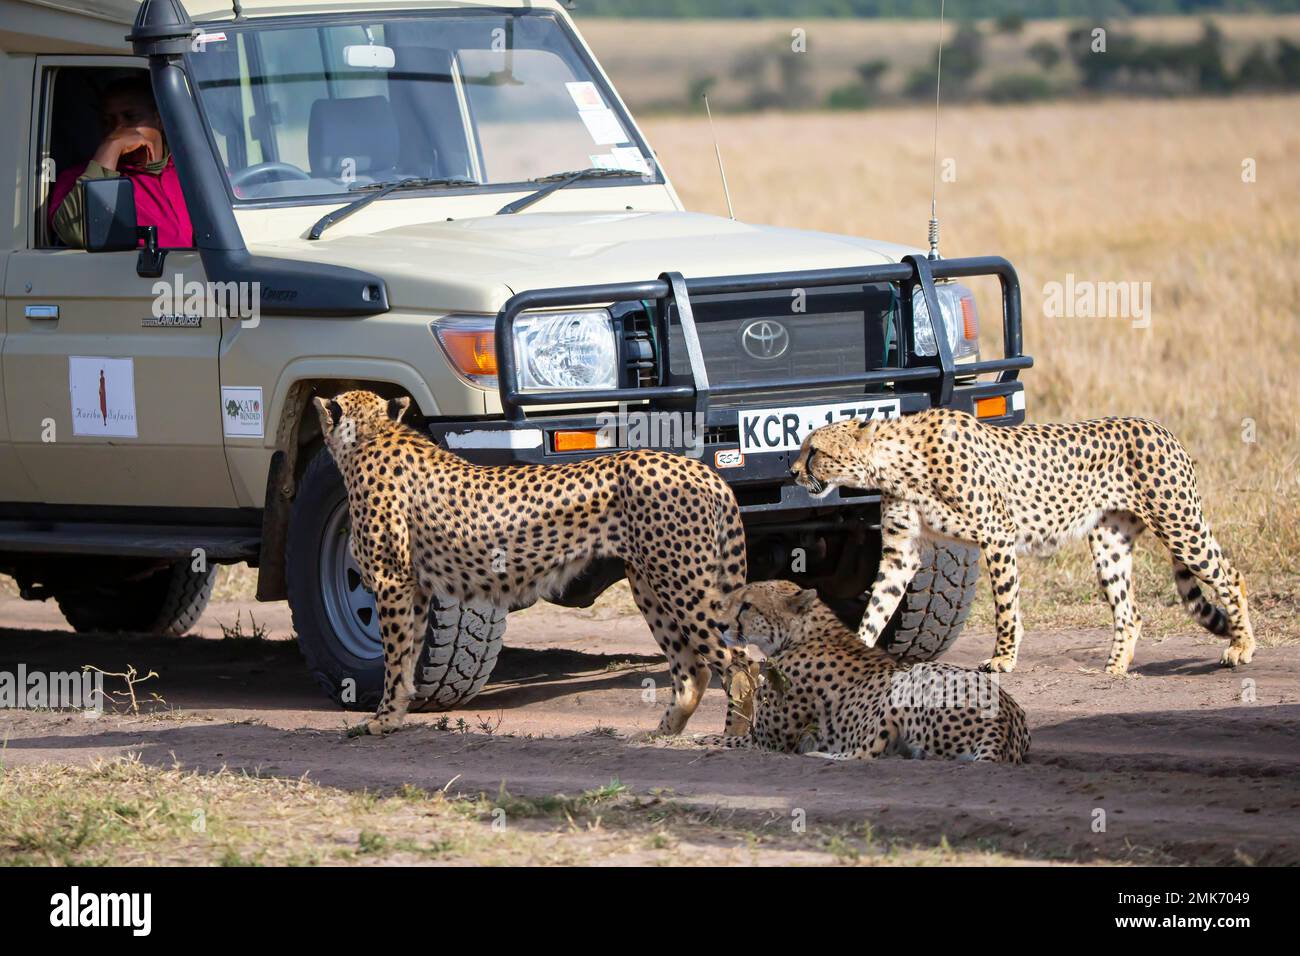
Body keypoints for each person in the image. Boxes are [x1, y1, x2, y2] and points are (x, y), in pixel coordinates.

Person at [48, 74, 193, 249]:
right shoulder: (77, 178)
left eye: (130, 117)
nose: (118, 129)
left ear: (160, 119)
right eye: (107, 122)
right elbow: (76, 232)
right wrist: (112, 145)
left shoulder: (192, 172)